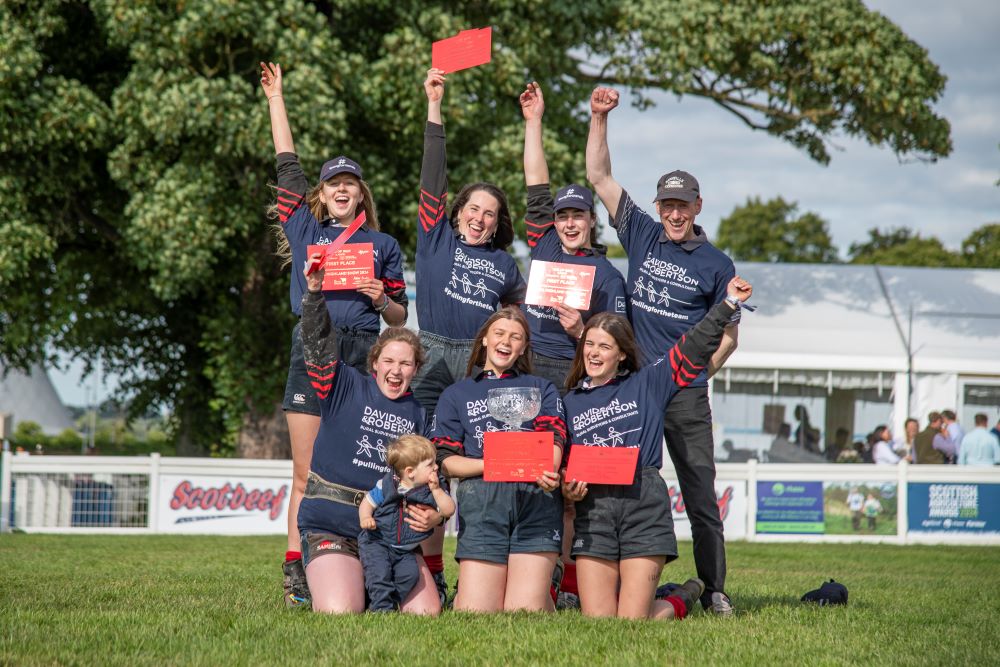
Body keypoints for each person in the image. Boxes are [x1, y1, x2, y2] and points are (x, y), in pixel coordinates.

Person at [586, 86, 739, 616]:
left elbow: (729, 336)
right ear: (658, 207)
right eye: (666, 205)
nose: (674, 214)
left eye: (682, 205)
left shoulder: (718, 263)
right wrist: (599, 118)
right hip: (632, 389)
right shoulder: (644, 236)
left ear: (698, 206)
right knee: (615, 482)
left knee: (700, 493)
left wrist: (696, 375)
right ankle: (610, 579)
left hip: (682, 392)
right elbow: (600, 179)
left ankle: (714, 587)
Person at [260, 62, 409, 607]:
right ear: (322, 195)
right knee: (304, 470)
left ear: (360, 194)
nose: (341, 190)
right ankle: (296, 569)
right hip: (313, 346)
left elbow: (399, 318)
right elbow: (287, 165)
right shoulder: (303, 228)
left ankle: (373, 557)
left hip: (365, 352)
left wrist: (379, 297)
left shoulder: (384, 244)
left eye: (349, 183)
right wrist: (277, 98)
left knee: (366, 463)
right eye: (332, 184)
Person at [561, 275, 752, 620]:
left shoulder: (649, 382)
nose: (594, 352)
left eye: (604, 346)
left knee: (633, 621)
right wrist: (569, 489)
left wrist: (728, 305)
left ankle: (684, 596)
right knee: (598, 622)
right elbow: (567, 464)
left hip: (642, 505)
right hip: (595, 513)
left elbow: (692, 345)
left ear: (621, 354)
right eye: (589, 344)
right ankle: (676, 594)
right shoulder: (569, 401)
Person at [296, 253, 440, 615]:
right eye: (388, 361)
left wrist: (433, 514)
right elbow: (317, 342)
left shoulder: (420, 415)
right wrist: (315, 292)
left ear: (416, 369)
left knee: (427, 615)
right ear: (374, 362)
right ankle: (326, 572)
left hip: (389, 535)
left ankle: (362, 577)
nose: (396, 370)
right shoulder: (343, 383)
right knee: (341, 611)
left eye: (405, 363)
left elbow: (430, 481)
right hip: (332, 526)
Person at [432, 307, 566, 612]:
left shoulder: (541, 388)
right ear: (484, 340)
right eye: (499, 333)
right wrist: (494, 465)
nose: (506, 342)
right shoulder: (457, 394)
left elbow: (555, 439)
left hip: (535, 497)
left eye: (515, 337)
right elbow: (447, 461)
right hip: (482, 497)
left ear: (523, 347)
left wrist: (548, 467)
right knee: (476, 614)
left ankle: (547, 584)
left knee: (524, 614)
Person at [412, 68, 527, 414]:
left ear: (496, 223)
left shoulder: (505, 264)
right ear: (459, 211)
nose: (479, 218)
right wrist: (435, 105)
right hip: (430, 351)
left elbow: (524, 313)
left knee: (472, 438)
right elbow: (433, 177)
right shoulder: (435, 237)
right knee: (416, 441)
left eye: (489, 214)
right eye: (473, 209)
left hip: (477, 357)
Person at [518, 81, 627, 392]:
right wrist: (533, 120)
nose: (569, 224)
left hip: (572, 368)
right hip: (528, 361)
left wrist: (581, 332)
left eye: (577, 216)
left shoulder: (608, 277)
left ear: (592, 220)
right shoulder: (546, 240)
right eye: (562, 217)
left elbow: (618, 346)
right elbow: (536, 181)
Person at [358, 435, 456, 612]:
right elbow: (367, 501)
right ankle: (382, 611)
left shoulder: (433, 488)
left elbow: (449, 510)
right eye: (430, 464)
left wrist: (436, 491)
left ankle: (385, 603)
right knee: (380, 575)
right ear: (410, 472)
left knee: (410, 576)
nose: (436, 467)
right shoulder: (387, 485)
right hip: (377, 542)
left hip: (406, 550)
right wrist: (365, 518)